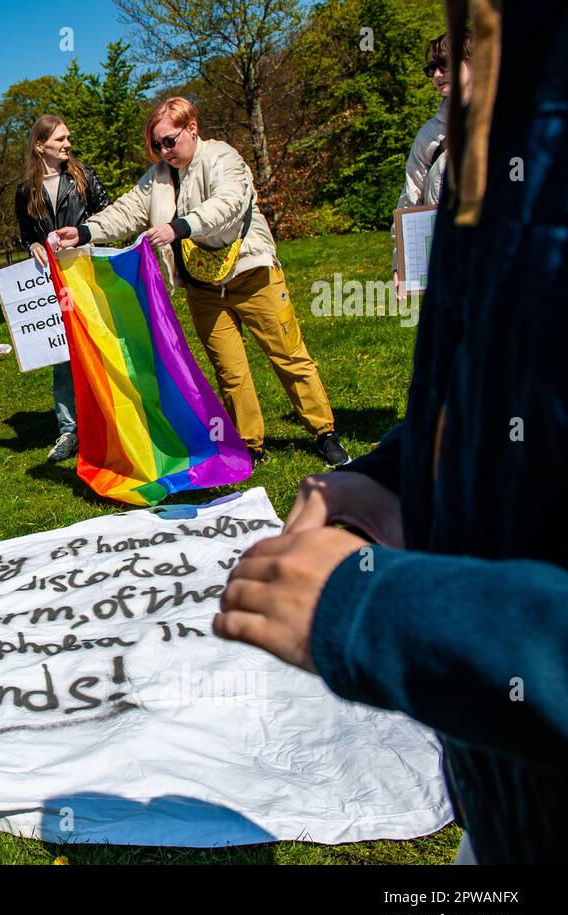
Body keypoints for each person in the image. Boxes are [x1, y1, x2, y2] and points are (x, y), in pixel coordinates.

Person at [214, 6, 568, 864]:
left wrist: (368, 610)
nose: (453, 72)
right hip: (506, 807)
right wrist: (401, 474)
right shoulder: (504, 113)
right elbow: (507, 377)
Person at [56, 97, 350, 468]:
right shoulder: (159, 178)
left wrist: (178, 228)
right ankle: (250, 444)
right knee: (230, 370)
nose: (164, 151)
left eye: (170, 141)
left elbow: (227, 205)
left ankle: (325, 433)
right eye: (157, 145)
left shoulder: (223, 158)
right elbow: (127, 210)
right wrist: (84, 231)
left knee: (289, 356)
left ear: (192, 129)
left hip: (251, 273)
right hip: (203, 288)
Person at [14, 115, 111, 464]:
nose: (67, 144)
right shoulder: (26, 190)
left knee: (100, 344)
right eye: (60, 139)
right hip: (53, 283)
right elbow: (26, 234)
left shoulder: (84, 178)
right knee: (63, 356)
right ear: (41, 146)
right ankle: (69, 430)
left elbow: (109, 217)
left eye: (68, 138)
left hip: (88, 274)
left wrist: (88, 237)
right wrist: (32, 247)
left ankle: (110, 417)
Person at [393, 29, 473, 297]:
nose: (437, 75)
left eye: (445, 64)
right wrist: (400, 263)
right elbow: (410, 197)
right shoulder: (430, 134)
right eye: (432, 69)